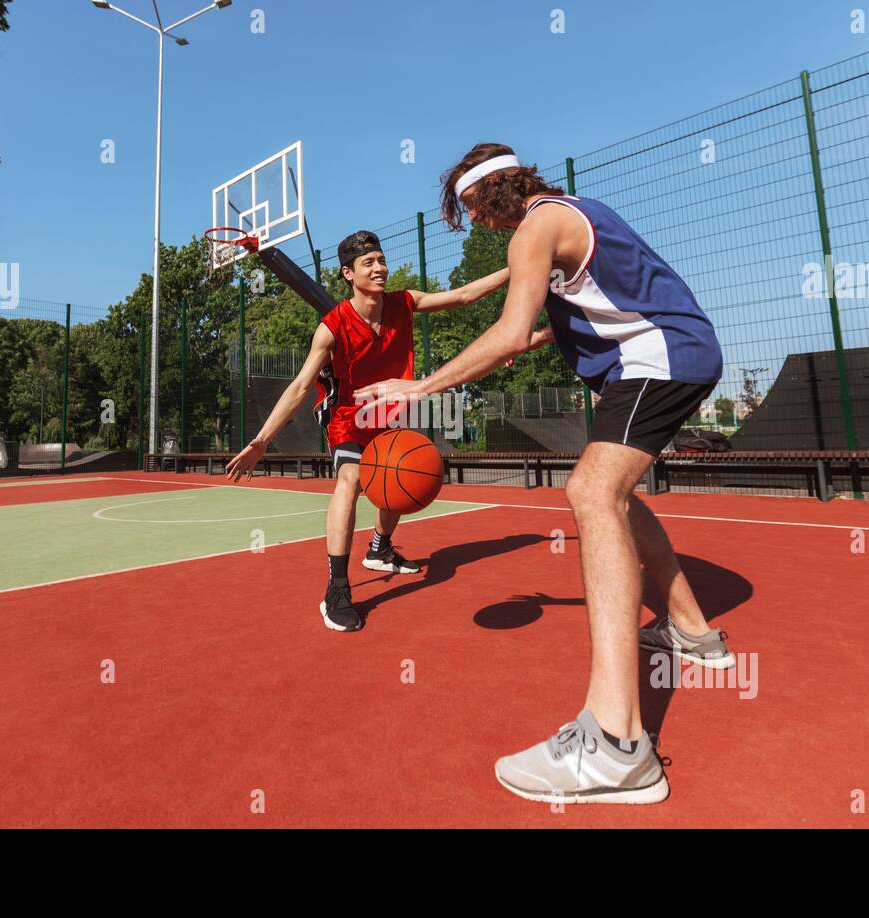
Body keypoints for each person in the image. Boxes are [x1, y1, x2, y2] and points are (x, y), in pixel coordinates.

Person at [355, 143, 733, 804]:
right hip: (666, 353)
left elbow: (504, 330)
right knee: (609, 494)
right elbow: (597, 300)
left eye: (471, 208)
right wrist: (532, 338)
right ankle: (693, 631)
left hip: (659, 357)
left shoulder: (536, 227)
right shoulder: (570, 216)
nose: (474, 222)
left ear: (491, 192)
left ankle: (617, 746)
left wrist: (417, 387)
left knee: (589, 490)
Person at [226, 230, 509, 633]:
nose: (380, 269)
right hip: (346, 415)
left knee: (397, 474)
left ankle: (380, 548)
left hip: (389, 411)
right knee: (352, 477)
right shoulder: (332, 327)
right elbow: (301, 386)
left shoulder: (405, 304)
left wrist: (518, 267)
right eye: (369, 263)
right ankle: (337, 589)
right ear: (347, 273)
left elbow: (464, 295)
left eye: (381, 260)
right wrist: (262, 441)